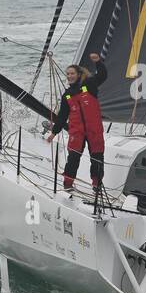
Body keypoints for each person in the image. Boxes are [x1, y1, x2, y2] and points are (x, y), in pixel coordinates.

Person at [45, 54, 107, 191]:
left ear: (78, 74)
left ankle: (97, 184)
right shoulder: (67, 94)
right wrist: (54, 133)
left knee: (97, 157)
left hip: (94, 130)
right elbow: (62, 116)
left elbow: (102, 75)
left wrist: (98, 62)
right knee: (73, 158)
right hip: (76, 131)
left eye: (72, 73)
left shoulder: (89, 85)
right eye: (67, 74)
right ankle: (68, 184)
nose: (69, 76)